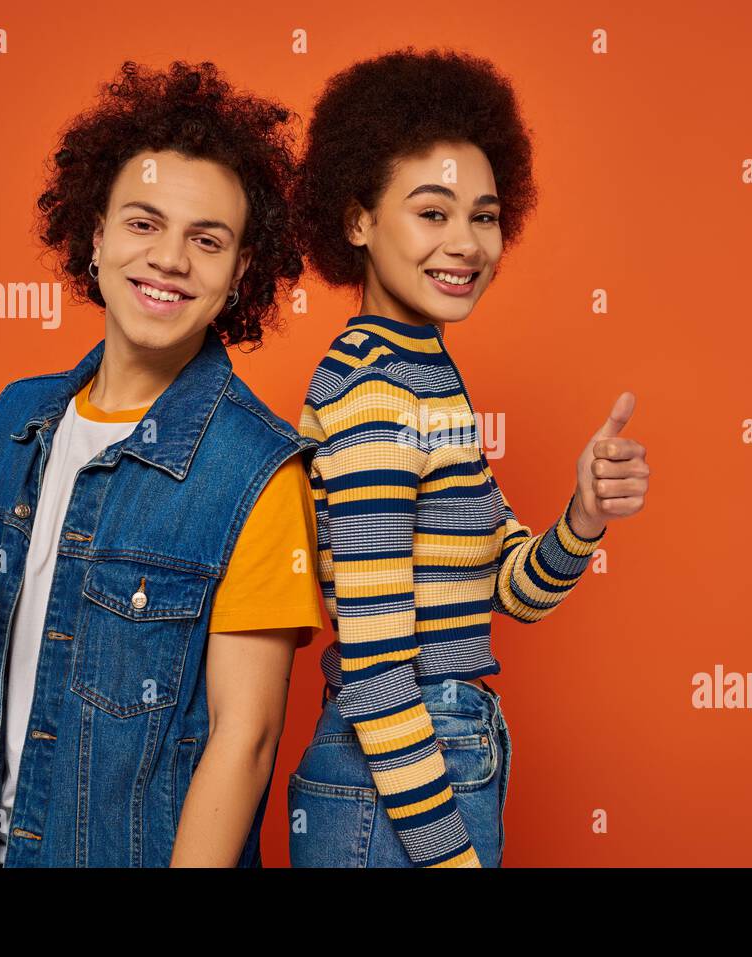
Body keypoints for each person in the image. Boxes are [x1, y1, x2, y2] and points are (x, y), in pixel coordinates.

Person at [0, 60, 323, 867]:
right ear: (95, 235)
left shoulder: (259, 472)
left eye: (207, 239)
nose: (169, 260)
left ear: (240, 275)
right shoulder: (18, 415)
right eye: (143, 223)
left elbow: (247, 740)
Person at [286, 48, 650, 867]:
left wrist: (582, 517)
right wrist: (448, 855)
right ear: (357, 222)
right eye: (432, 212)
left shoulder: (424, 372)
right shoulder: (380, 395)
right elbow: (378, 669)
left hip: (437, 757)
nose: (466, 243)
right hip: (402, 777)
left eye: (483, 215)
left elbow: (508, 594)